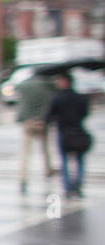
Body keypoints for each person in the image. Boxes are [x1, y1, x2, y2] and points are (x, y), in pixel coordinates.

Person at [45, 71, 92, 199]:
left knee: (65, 162)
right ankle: (78, 187)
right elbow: (85, 113)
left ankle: (68, 188)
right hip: (78, 131)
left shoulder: (57, 98)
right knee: (80, 161)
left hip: (64, 132)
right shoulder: (81, 97)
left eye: (59, 81)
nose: (57, 83)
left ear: (65, 81)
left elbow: (50, 116)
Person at [15, 70, 57, 193]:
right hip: (41, 121)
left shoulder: (24, 85)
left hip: (27, 121)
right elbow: (54, 89)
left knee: (26, 152)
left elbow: (17, 89)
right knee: (45, 149)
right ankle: (48, 170)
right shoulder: (45, 85)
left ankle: (23, 177)